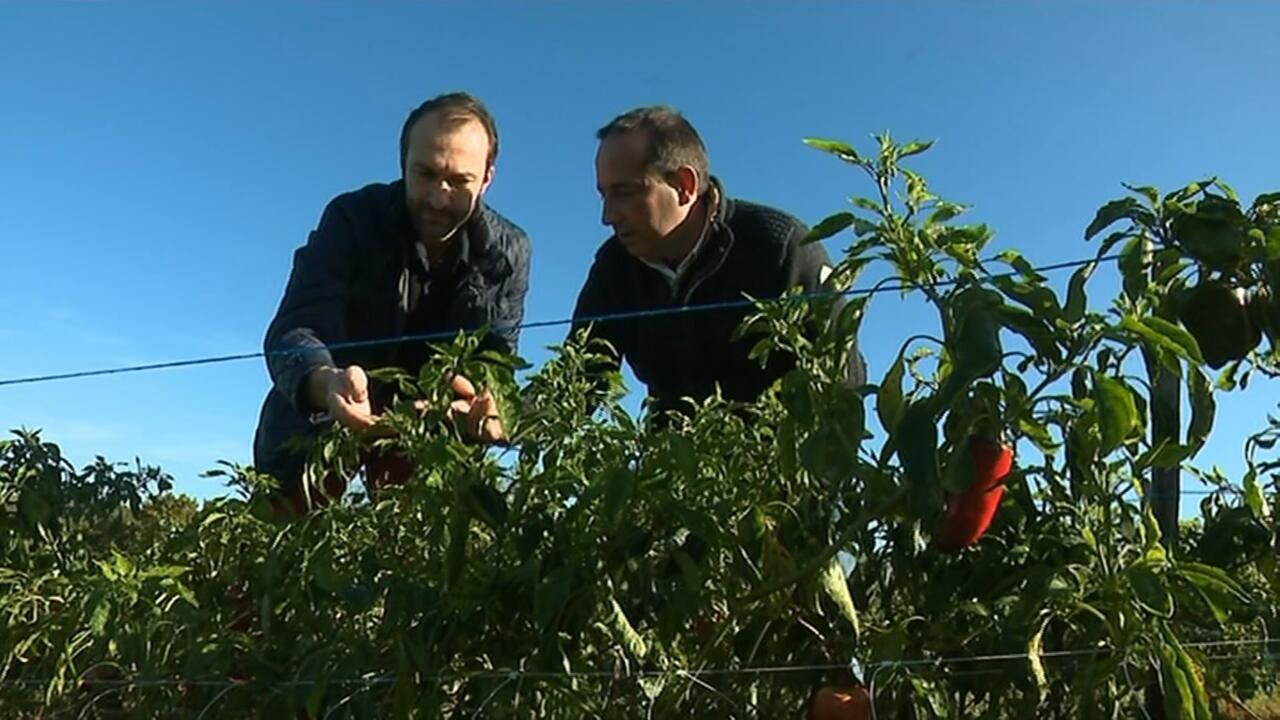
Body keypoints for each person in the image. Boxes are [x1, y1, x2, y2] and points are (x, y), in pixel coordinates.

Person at [253, 91, 531, 509]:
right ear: (403, 164)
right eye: (425, 174)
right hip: (320, 422)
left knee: (411, 558)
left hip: (428, 440)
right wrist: (327, 384)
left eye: (459, 182)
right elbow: (294, 330)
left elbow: (497, 361)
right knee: (276, 550)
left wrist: (480, 404)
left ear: (488, 177)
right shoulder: (352, 219)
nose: (439, 198)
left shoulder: (508, 252)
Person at [572, 106, 865, 416]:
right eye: (604, 195)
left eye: (624, 192)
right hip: (671, 457)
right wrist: (516, 420)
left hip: (773, 457)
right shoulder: (614, 266)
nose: (607, 216)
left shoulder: (781, 249)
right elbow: (578, 379)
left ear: (684, 186)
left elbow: (841, 386)